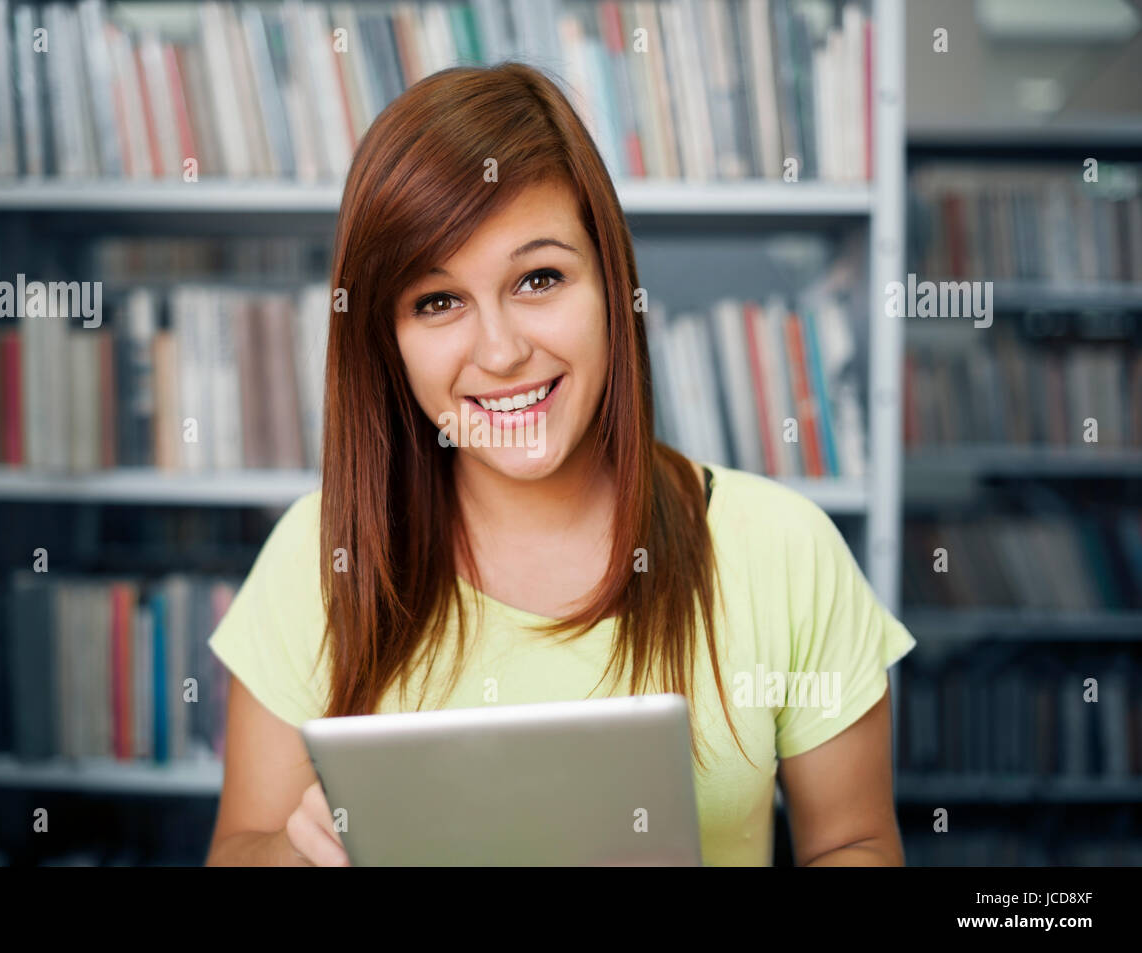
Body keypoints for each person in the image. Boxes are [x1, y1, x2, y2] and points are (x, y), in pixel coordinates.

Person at [204, 62, 915, 867]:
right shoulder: (318, 554)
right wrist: (298, 858)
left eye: (539, 278)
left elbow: (854, 844)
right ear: (387, 340)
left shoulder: (782, 546)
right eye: (437, 302)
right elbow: (236, 849)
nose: (502, 351)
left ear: (611, 285)